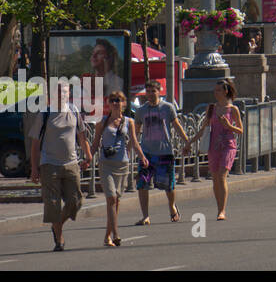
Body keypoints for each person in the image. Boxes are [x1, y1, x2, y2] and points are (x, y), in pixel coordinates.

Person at [27, 81, 92, 251]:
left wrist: (88, 154)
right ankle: (59, 238)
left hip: (71, 163)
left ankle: (57, 226)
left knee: (75, 201)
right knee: (53, 204)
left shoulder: (73, 110)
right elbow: (35, 143)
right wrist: (34, 168)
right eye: (57, 92)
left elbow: (81, 135)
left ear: (68, 94)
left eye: (64, 92)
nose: (61, 95)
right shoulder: (45, 113)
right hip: (49, 164)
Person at [90, 91, 147, 247]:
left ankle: (107, 235)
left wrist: (142, 157)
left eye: (119, 100)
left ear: (124, 104)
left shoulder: (129, 122)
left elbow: (134, 142)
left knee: (116, 200)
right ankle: (116, 234)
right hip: (106, 164)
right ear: (108, 103)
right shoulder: (102, 122)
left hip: (122, 164)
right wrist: (88, 158)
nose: (115, 103)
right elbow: (95, 143)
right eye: (112, 100)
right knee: (111, 198)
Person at [134, 79, 187, 225]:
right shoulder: (141, 110)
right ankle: (145, 216)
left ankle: (172, 206)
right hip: (146, 153)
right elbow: (136, 131)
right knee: (142, 184)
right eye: (148, 91)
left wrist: (187, 141)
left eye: (153, 91)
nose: (150, 94)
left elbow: (177, 126)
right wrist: (132, 146)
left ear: (159, 91)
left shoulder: (167, 108)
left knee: (168, 185)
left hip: (164, 152)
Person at [189, 80, 243, 220]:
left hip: (228, 145)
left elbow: (240, 130)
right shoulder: (211, 108)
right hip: (213, 146)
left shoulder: (233, 109)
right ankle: (219, 207)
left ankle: (222, 210)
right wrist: (190, 142)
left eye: (219, 90)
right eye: (215, 90)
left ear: (226, 91)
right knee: (215, 179)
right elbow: (204, 128)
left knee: (221, 175)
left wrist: (229, 126)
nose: (216, 93)